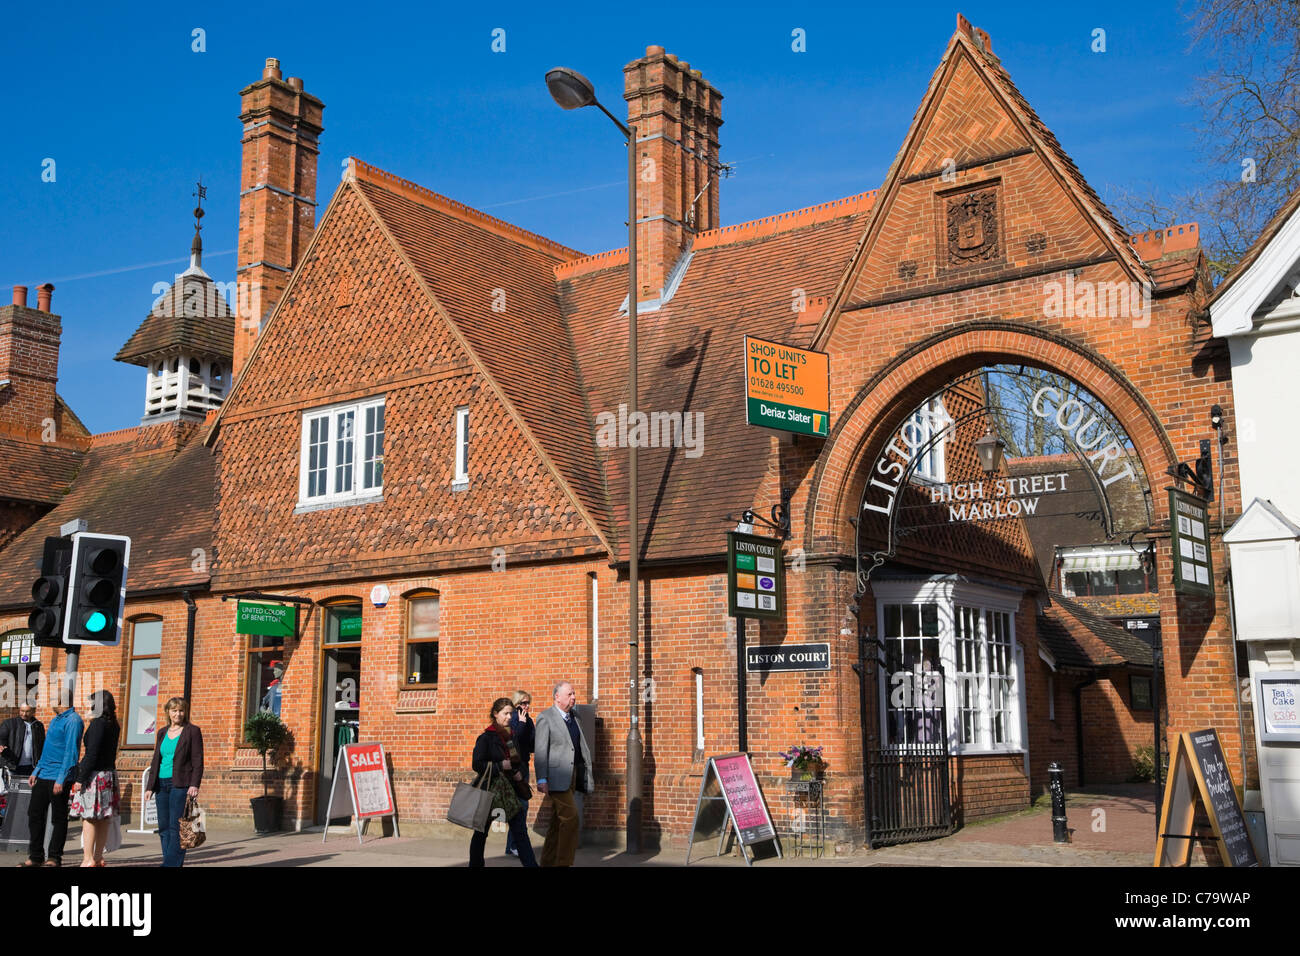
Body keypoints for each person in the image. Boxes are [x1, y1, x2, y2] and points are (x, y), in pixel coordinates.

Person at [18, 686, 82, 867]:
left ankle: (54, 857)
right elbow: (47, 750)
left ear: (60, 701)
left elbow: (71, 753)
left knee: (58, 818)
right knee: (34, 814)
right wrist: (36, 771)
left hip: (60, 777)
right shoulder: (55, 721)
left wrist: (61, 779)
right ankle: (35, 856)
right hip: (44, 774)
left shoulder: (73, 721)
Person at [469, 698, 537, 867]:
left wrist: (518, 772)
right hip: (490, 791)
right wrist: (499, 766)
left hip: (510, 791)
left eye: (510, 713)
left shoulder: (510, 737)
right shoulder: (486, 738)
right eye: (505, 713)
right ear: (495, 714)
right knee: (481, 833)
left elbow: (516, 760)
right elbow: (477, 764)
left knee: (520, 832)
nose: (508, 717)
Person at [533, 680, 594, 867]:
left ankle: (547, 862)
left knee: (556, 823)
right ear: (557, 697)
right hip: (556, 778)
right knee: (571, 819)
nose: (574, 697)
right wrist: (542, 778)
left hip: (573, 775)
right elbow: (541, 751)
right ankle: (564, 863)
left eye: (574, 693)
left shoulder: (574, 717)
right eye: (569, 694)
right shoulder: (546, 717)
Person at [143, 697, 204, 868]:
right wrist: (150, 787)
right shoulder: (162, 732)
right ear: (168, 712)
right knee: (163, 828)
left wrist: (194, 784)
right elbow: (156, 760)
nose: (178, 714)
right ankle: (171, 862)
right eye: (174, 710)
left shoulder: (192, 731)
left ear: (185, 712)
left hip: (180, 784)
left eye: (181, 710)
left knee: (176, 827)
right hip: (161, 784)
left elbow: (198, 761)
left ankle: (169, 864)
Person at [70, 690, 120, 867]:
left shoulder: (98, 724)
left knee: (89, 817)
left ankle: (88, 858)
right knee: (103, 818)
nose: (88, 706)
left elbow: (91, 754)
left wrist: (79, 778)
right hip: (109, 775)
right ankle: (98, 857)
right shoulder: (114, 724)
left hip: (95, 776)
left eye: (91, 703)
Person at [504, 688, 534, 858]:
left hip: (524, 765)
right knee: (521, 805)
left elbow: (530, 743)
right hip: (516, 767)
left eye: (528, 702)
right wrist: (522, 723)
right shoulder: (515, 718)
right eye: (523, 703)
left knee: (520, 806)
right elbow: (514, 741)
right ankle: (515, 845)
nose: (526, 705)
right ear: (516, 704)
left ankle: (511, 845)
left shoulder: (527, 719)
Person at [0, 703, 44, 777]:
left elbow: (42, 746)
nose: (24, 714)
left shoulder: (38, 726)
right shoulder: (9, 723)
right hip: (13, 766)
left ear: (33, 711)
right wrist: (1, 746)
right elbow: (1, 738)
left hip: (32, 768)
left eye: (27, 711)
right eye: (22, 711)